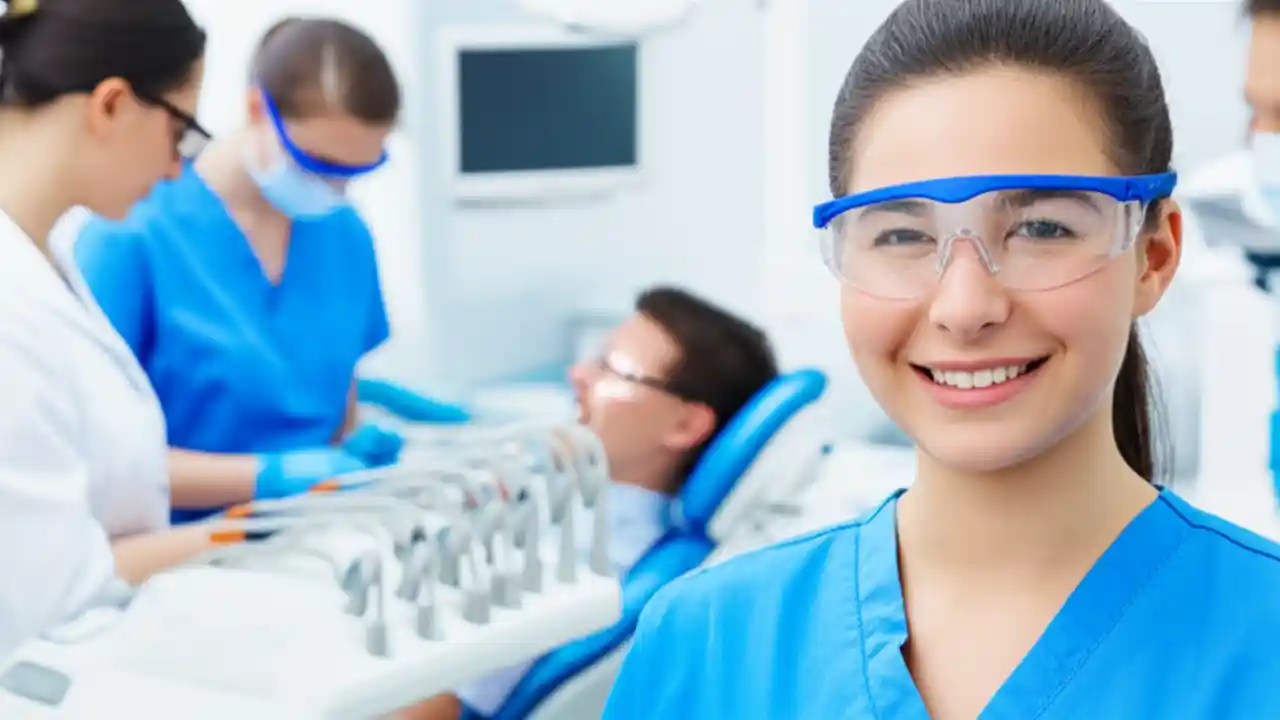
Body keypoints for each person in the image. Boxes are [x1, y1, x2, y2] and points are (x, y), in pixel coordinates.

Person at [604, 1, 1280, 718]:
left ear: (1154, 254)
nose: (964, 306)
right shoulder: (705, 646)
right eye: (901, 236)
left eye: (1042, 227)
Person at [69, 17, 406, 525]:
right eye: (317, 162)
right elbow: (91, 462)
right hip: (168, 557)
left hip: (315, 540)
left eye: (355, 172)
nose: (335, 188)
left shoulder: (345, 234)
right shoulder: (131, 230)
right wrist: (265, 476)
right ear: (256, 109)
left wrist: (351, 461)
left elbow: (340, 412)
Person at [400, 286, 779, 720]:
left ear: (684, 423)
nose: (578, 373)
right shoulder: (585, 520)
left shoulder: (578, 554)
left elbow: (436, 707)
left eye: (610, 368)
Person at [0, 0, 206, 658]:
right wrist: (254, 533)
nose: (179, 167)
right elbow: (53, 592)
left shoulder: (46, 258)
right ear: (111, 104)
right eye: (180, 132)